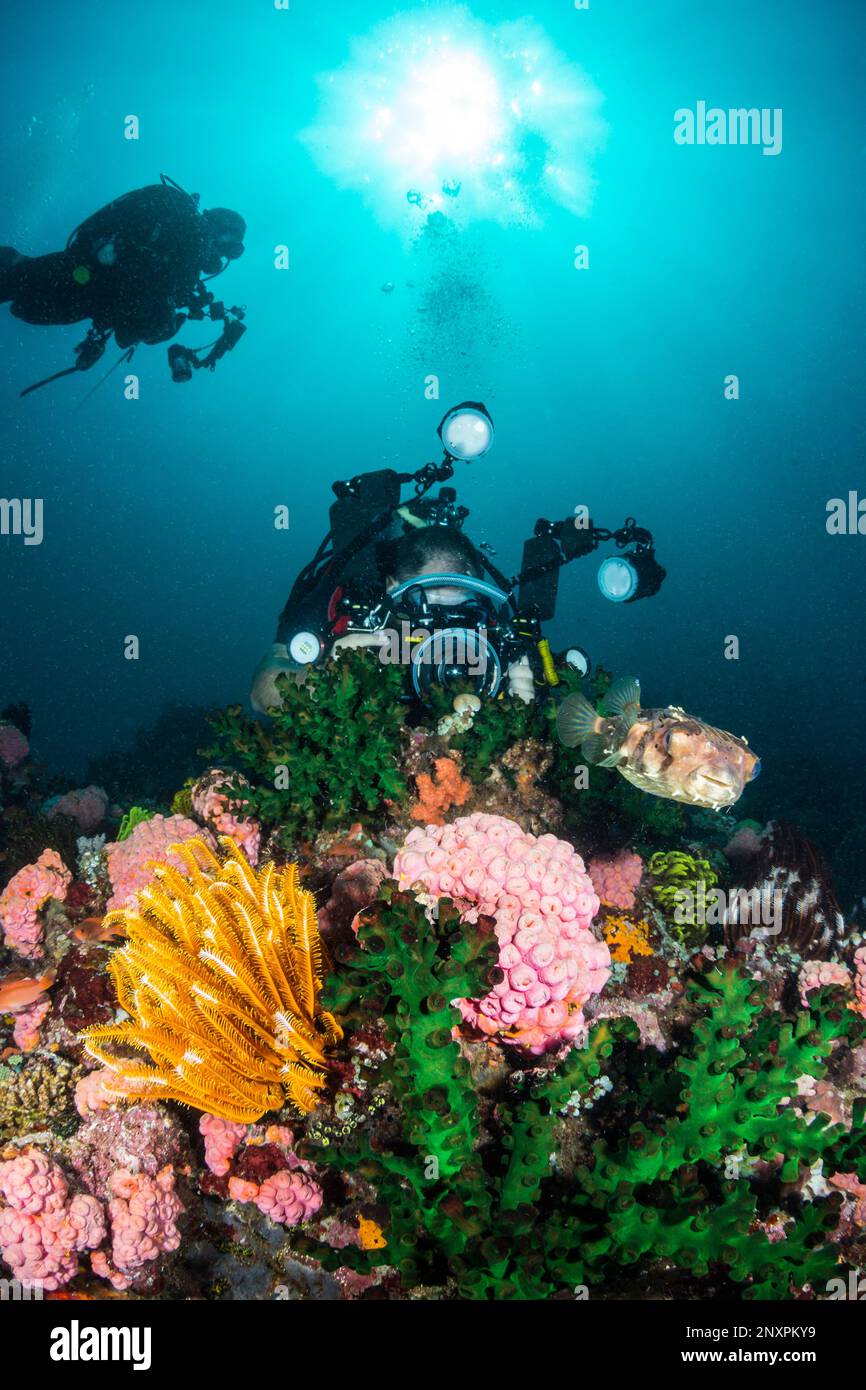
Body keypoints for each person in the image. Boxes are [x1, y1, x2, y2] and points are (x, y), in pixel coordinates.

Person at [250, 524, 536, 714]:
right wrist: (330, 680)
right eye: (425, 607)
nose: (440, 627)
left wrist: (519, 712)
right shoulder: (347, 608)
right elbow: (262, 692)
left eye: (460, 611)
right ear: (392, 587)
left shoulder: (490, 628)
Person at [0, 175, 245, 366]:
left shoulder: (183, 261)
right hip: (83, 275)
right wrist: (163, 322)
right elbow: (140, 305)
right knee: (18, 281)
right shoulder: (189, 237)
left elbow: (131, 325)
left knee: (22, 295)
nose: (219, 260)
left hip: (88, 292)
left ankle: (14, 265)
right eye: (227, 250)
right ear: (219, 231)